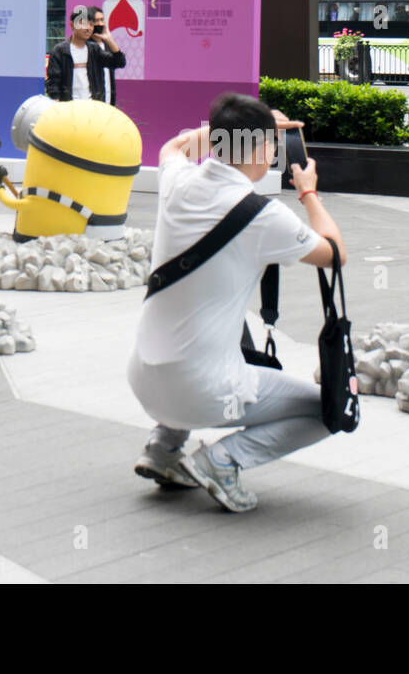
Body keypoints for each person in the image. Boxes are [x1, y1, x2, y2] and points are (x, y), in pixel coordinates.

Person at [127, 93, 347, 513]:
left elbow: (173, 147)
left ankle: (162, 447)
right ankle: (221, 461)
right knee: (332, 408)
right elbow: (335, 254)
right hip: (202, 392)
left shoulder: (177, 179)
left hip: (144, 381)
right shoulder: (263, 216)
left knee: (201, 341)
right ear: (265, 150)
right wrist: (309, 193)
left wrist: (233, 129)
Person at [45, 4, 125, 102]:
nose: (88, 28)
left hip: (93, 107)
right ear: (72, 25)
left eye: (91, 24)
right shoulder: (60, 51)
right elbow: (53, 84)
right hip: (70, 108)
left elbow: (119, 62)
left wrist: (109, 40)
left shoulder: (94, 50)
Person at [88, 5, 119, 107]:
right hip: (91, 103)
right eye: (96, 21)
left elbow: (120, 62)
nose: (100, 24)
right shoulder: (84, 46)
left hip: (108, 101)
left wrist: (109, 40)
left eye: (102, 20)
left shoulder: (107, 45)